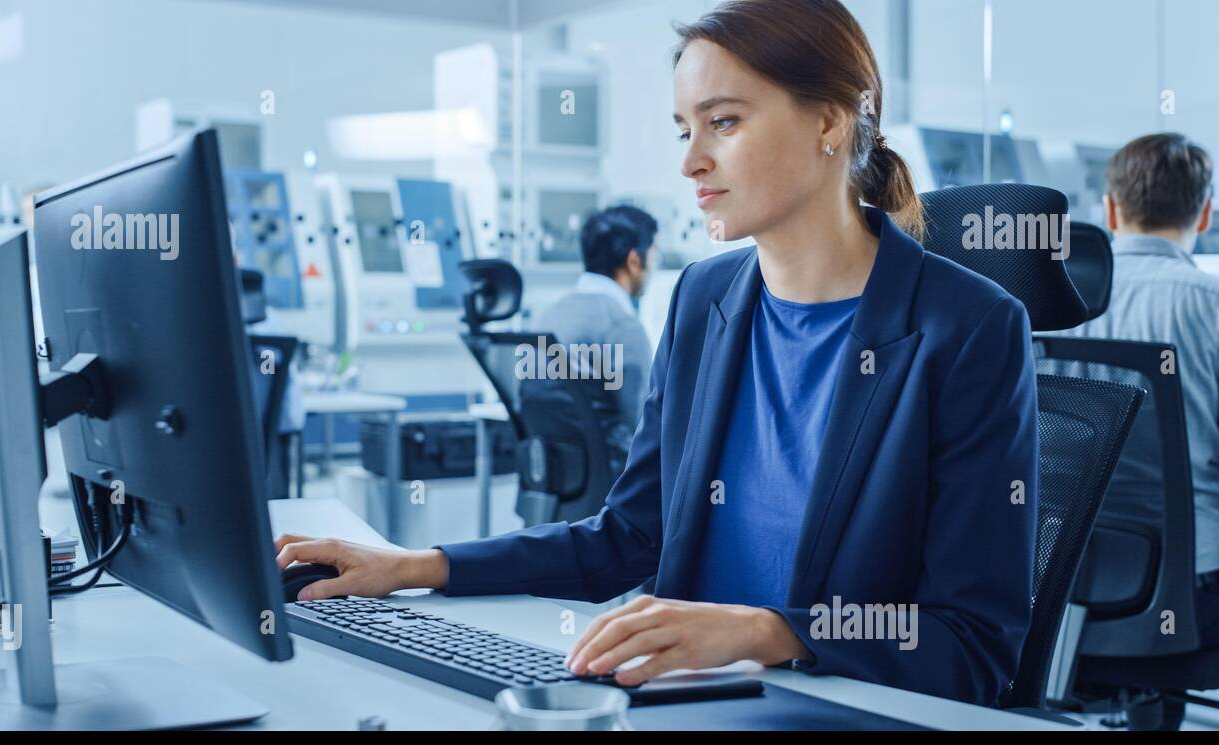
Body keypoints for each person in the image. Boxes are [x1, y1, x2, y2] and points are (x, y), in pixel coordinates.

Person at [274, 0, 1038, 706]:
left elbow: (972, 641)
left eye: (724, 123)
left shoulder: (969, 328)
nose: (691, 162)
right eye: (685, 129)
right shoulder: (705, 300)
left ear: (829, 123)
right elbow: (629, 537)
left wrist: (773, 632)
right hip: (688, 706)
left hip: (828, 712)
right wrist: (416, 566)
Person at [1052, 133, 1219, 633]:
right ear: (1206, 214)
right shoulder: (1209, 305)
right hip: (1195, 583)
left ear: (1110, 210)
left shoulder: (1052, 301)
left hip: (1059, 579)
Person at [527, 204, 658, 479]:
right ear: (635, 260)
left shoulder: (547, 316)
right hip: (611, 487)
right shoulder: (620, 325)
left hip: (557, 482)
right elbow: (643, 426)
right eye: (654, 256)